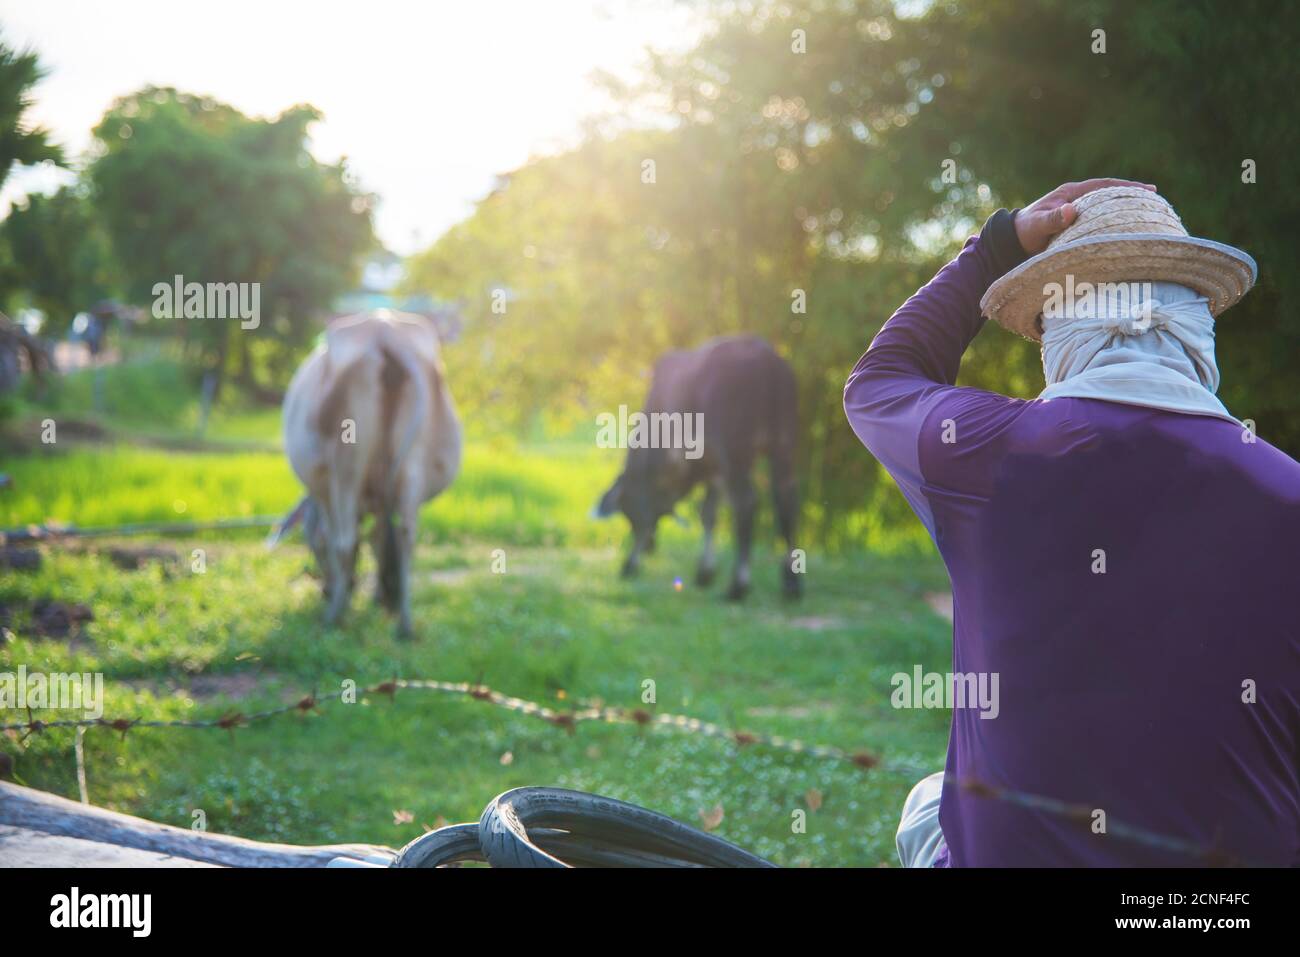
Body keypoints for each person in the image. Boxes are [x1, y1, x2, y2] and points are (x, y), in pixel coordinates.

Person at [844, 179, 1300, 866]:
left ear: (1061, 332)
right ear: (1198, 327)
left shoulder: (984, 457)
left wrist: (995, 245)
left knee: (926, 805)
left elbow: (880, 382)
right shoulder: (1287, 491)